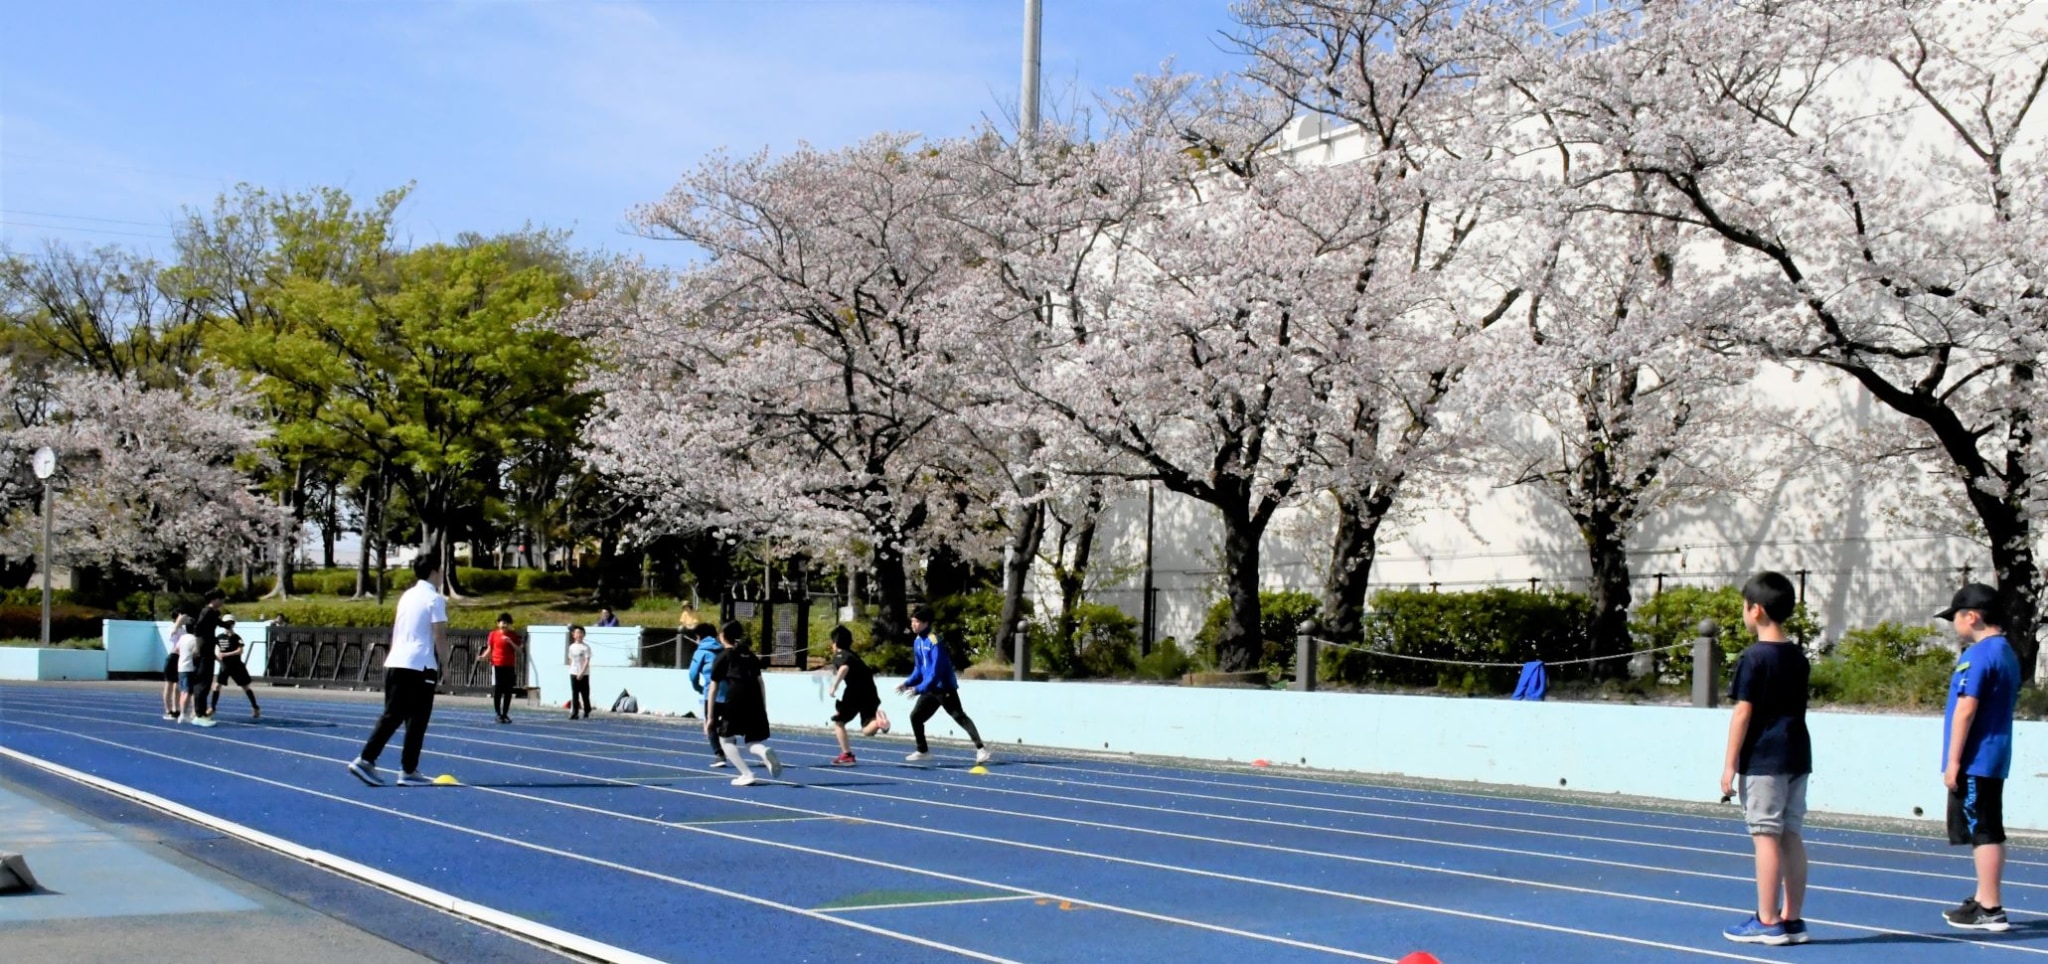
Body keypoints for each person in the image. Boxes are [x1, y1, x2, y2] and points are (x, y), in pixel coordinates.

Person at [1718, 572, 1811, 946]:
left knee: (1765, 836)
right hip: (1797, 754)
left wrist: (1729, 764)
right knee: (1790, 833)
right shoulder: (1797, 656)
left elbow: (1743, 713)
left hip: (1764, 759)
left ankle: (1767, 919)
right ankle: (1792, 918)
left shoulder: (1753, 658)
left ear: (1755, 610)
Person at [1937, 582, 2021, 932]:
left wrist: (1953, 762)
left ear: (1971, 617)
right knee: (1988, 826)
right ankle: (1984, 897)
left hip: (1976, 758)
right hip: (1994, 756)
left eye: (1955, 617)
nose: (1953, 623)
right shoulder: (2006, 652)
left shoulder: (1978, 655)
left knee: (1983, 831)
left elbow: (1966, 709)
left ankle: (1990, 906)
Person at [347, 552, 449, 788]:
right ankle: (368, 760)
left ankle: (406, 769)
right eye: (440, 570)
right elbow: (440, 635)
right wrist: (446, 666)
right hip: (420, 664)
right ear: (434, 572)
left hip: (397, 661)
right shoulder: (434, 599)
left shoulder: (407, 595)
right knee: (409, 718)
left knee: (402, 716)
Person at [896, 605, 991, 765]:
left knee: (958, 716)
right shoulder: (917, 641)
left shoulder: (935, 641)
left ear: (926, 623)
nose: (913, 624)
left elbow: (935, 671)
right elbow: (919, 669)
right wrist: (906, 683)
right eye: (912, 621)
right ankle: (923, 750)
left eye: (916, 621)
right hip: (929, 688)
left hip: (943, 687)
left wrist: (919, 688)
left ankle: (981, 749)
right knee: (916, 717)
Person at [705, 620, 782, 787]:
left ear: (722, 636)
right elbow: (760, 682)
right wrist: (763, 706)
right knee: (752, 741)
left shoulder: (723, 656)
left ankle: (747, 774)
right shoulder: (750, 656)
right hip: (754, 698)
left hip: (735, 698)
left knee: (725, 740)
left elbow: (713, 688)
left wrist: (710, 717)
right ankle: (764, 751)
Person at [826, 625, 889, 766]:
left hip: (855, 692)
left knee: (839, 722)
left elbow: (844, 668)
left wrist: (833, 686)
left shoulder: (840, 655)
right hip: (870, 691)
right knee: (868, 730)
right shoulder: (853, 655)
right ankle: (879, 722)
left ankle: (847, 755)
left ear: (835, 643)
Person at [687, 622, 728, 767]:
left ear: (698, 637)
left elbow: (692, 674)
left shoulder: (701, 651)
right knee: (726, 724)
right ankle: (730, 746)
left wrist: (697, 687)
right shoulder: (723, 649)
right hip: (729, 693)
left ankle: (719, 755)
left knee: (710, 724)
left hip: (711, 694)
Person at [209, 615, 262, 720]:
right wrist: (219, 659)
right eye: (227, 623)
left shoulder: (236, 637)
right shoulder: (219, 637)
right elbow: (219, 649)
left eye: (231, 623)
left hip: (236, 665)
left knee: (245, 686)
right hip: (225, 666)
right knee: (217, 686)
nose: (229, 625)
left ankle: (255, 707)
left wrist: (226, 654)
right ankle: (212, 707)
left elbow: (240, 651)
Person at [188, 589, 227, 722]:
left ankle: (202, 712)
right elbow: (198, 629)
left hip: (208, 651)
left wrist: (227, 625)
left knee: (206, 682)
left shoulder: (212, 613)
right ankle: (199, 714)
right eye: (221, 599)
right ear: (215, 599)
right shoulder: (207, 611)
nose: (222, 602)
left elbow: (217, 622)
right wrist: (197, 648)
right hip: (203, 651)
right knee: (202, 683)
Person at [485, 612, 522, 724]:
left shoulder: (513, 635)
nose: (503, 625)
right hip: (497, 664)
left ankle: (505, 713)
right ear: (498, 623)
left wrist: (510, 642)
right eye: (501, 622)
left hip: (509, 665)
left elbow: (519, 650)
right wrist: (483, 656)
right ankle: (498, 713)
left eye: (506, 623)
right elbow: (490, 649)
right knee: (498, 689)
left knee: (508, 691)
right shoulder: (493, 634)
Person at [175, 628, 212, 726]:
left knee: (183, 691)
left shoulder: (183, 637)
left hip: (181, 666)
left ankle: (183, 713)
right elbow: (197, 652)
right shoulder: (194, 639)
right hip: (189, 667)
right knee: (188, 692)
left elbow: (176, 649)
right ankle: (183, 714)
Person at [161, 611, 189, 721]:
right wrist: (178, 621)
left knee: (178, 686)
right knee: (169, 684)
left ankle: (176, 708)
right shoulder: (172, 627)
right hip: (173, 657)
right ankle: (168, 710)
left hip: (181, 658)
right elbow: (172, 635)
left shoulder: (185, 630)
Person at [566, 624, 594, 720]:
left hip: (584, 673)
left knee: (585, 693)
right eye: (577, 633)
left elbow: (587, 661)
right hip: (574, 672)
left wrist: (581, 672)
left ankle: (587, 709)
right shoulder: (571, 647)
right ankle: (575, 712)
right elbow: (570, 659)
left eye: (581, 633)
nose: (579, 635)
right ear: (574, 635)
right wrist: (572, 670)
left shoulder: (586, 647)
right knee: (575, 693)